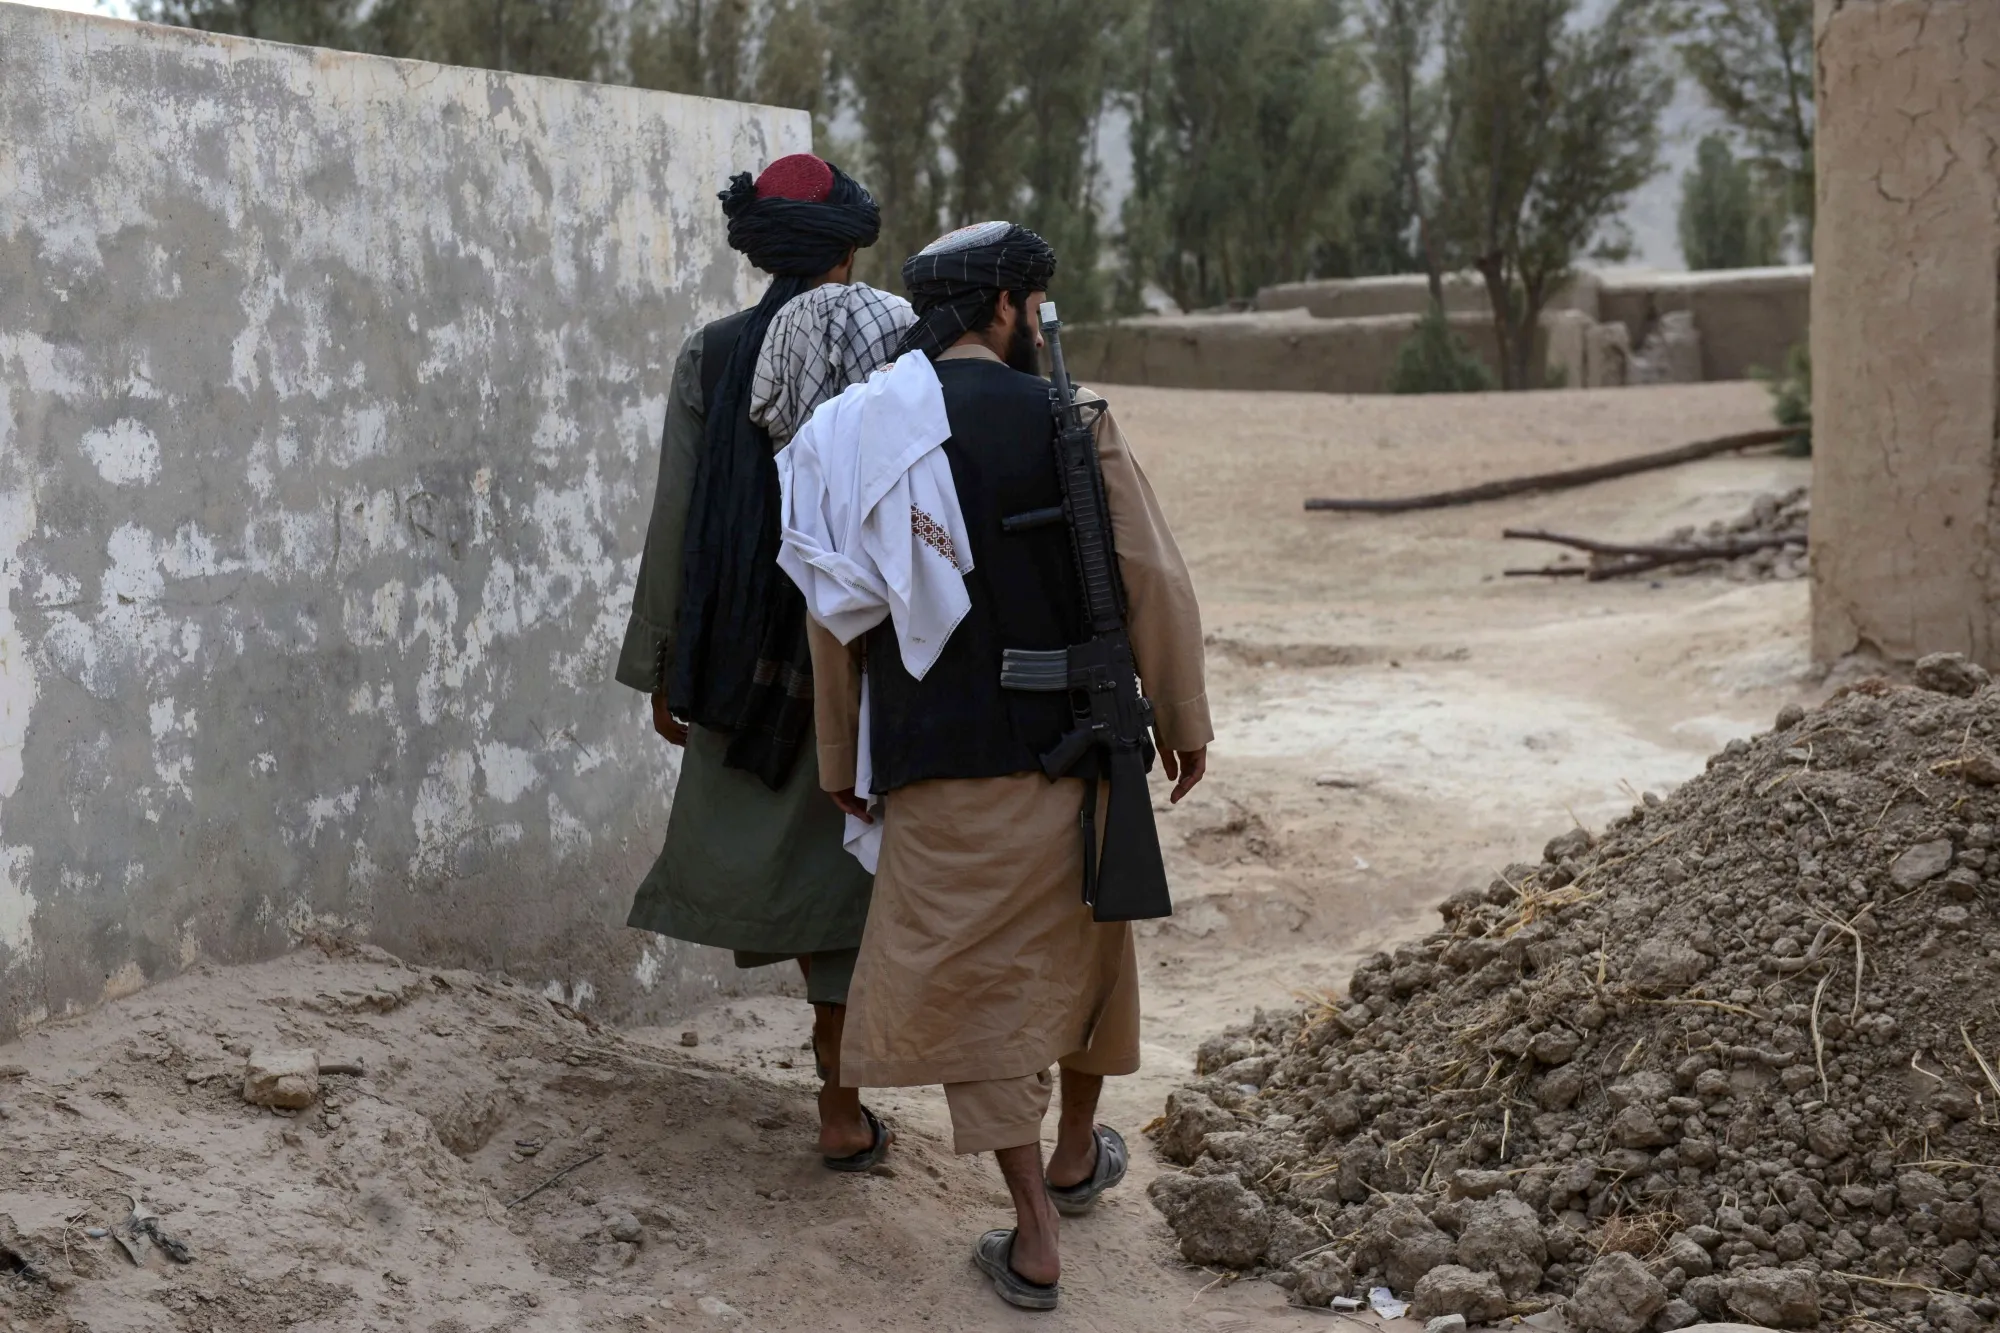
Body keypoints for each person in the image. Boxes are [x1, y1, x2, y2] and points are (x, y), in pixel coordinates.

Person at [797, 222, 1212, 1310]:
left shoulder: (861, 430)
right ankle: (1074, 1151)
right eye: (1032, 304)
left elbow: (834, 612)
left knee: (977, 992)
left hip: (939, 762)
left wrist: (841, 751)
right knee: (1089, 955)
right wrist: (1183, 717)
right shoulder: (1072, 417)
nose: (1038, 324)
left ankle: (1036, 1222)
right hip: (1081, 751)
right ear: (1003, 307)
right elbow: (1152, 577)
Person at [615, 153, 907, 1171]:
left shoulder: (713, 354)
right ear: (850, 251)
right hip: (868, 651)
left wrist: (667, 662)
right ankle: (841, 1103)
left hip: (744, 655)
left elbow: (677, 518)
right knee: (851, 869)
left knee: (808, 868)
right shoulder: (896, 345)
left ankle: (841, 1101)